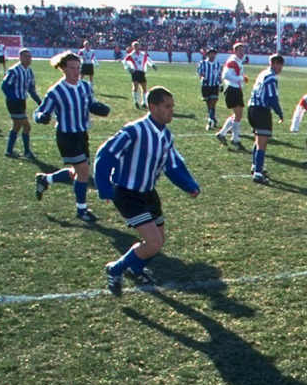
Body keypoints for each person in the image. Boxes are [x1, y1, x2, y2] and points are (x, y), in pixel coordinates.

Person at [94, 86, 201, 295]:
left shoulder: (166, 136)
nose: (171, 111)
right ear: (152, 107)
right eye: (167, 106)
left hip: (148, 193)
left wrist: (189, 185)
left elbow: (174, 165)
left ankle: (136, 267)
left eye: (172, 106)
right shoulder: (134, 131)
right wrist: (105, 187)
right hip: (128, 194)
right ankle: (115, 269)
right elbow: (105, 154)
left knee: (159, 241)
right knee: (152, 242)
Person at [33, 50, 112, 223]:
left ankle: (45, 179)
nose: (77, 72)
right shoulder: (56, 91)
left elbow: (90, 104)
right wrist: (41, 117)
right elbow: (39, 112)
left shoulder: (85, 86)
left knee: (77, 172)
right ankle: (81, 210)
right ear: (63, 69)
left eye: (78, 67)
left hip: (82, 135)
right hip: (66, 136)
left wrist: (99, 108)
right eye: (73, 68)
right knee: (83, 171)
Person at [246, 54, 285, 184]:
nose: (281, 68)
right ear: (274, 64)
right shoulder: (271, 77)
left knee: (258, 139)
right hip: (261, 111)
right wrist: (279, 112)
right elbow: (272, 97)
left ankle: (255, 166)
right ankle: (258, 173)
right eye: (280, 65)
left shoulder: (263, 73)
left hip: (252, 108)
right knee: (262, 142)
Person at [0, 48, 43, 158]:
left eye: (30, 57)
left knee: (17, 126)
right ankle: (27, 152)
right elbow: (4, 86)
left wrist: (40, 102)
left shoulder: (29, 71)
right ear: (20, 57)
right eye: (26, 57)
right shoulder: (14, 70)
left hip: (22, 101)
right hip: (14, 102)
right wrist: (13, 97)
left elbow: (31, 89)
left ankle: (9, 151)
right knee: (26, 126)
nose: (29, 59)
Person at [215, 42, 248, 150]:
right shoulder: (232, 61)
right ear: (235, 51)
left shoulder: (237, 61)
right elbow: (225, 75)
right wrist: (241, 79)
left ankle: (222, 133)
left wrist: (241, 78)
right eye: (240, 51)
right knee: (238, 115)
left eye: (243, 50)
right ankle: (235, 138)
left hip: (236, 89)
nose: (242, 53)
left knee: (237, 114)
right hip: (232, 89)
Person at [196, 48, 224, 130]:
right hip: (206, 85)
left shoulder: (218, 64)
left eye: (214, 54)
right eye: (211, 53)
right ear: (208, 54)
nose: (213, 55)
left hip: (214, 85)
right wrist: (202, 78)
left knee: (213, 101)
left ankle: (210, 119)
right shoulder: (203, 63)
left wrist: (221, 84)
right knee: (209, 103)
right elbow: (200, 73)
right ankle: (212, 117)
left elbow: (219, 75)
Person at [122, 41, 154, 109]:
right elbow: (124, 62)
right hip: (135, 72)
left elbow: (148, 60)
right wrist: (129, 69)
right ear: (133, 47)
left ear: (139, 46)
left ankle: (144, 102)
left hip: (142, 72)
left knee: (144, 88)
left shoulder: (143, 54)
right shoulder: (131, 55)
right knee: (135, 87)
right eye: (135, 46)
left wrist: (152, 65)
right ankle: (136, 101)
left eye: (137, 46)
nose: (136, 47)